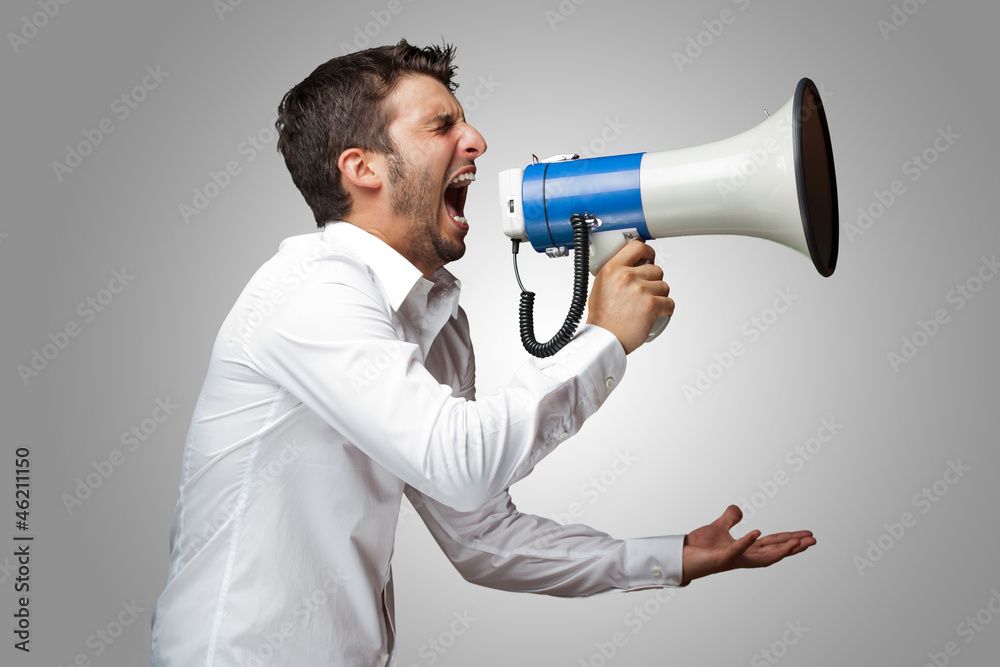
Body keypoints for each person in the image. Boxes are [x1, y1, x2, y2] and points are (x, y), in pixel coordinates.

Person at [150, 40, 815, 666]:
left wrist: (669, 557)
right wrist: (605, 338)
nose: (477, 141)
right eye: (442, 127)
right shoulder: (309, 287)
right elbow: (461, 461)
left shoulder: (438, 319)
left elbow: (481, 537)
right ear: (363, 169)